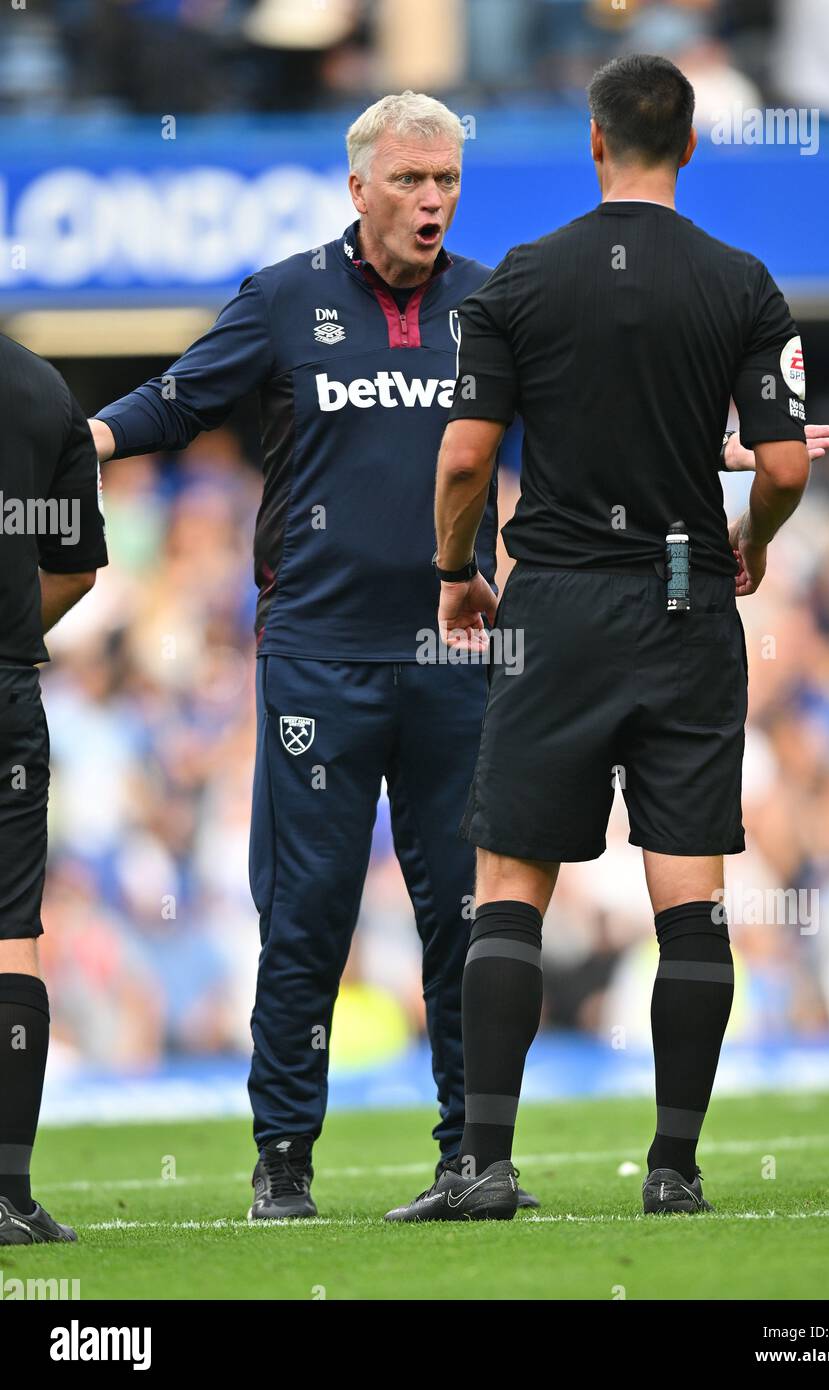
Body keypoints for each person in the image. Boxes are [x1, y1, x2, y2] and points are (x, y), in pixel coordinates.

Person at [87, 91, 539, 1219]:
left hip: (455, 654)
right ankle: (282, 1160)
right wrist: (70, 440)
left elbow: (587, 419)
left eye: (445, 183)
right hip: (317, 659)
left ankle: (469, 1157)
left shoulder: (491, 305)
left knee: (465, 917)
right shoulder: (286, 298)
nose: (430, 201)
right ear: (358, 187)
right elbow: (177, 401)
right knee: (306, 914)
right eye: (409, 181)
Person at [386, 54, 812, 1222]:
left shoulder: (521, 279)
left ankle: (483, 1165)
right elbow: (780, 466)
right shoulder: (743, 283)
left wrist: (452, 572)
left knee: (510, 883)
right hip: (684, 609)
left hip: (557, 604)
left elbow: (466, 454)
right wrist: (753, 540)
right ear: (691, 145)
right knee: (688, 891)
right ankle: (672, 1169)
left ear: (592, 141)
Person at [0, 332, 108, 1244]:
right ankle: (6, 1194)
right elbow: (75, 568)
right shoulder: (41, 391)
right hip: (3, 689)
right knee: (9, 934)